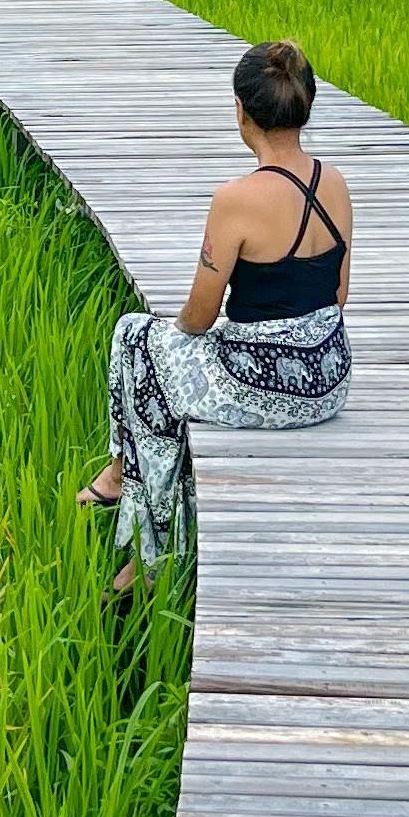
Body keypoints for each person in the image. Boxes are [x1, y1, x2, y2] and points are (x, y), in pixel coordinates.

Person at [81, 37, 352, 589]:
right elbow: (338, 296)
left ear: (241, 110)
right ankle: (123, 485)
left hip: (270, 388)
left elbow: (199, 318)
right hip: (329, 377)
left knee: (137, 340)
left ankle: (151, 541)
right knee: (156, 358)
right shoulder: (336, 183)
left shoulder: (237, 198)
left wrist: (172, 341)